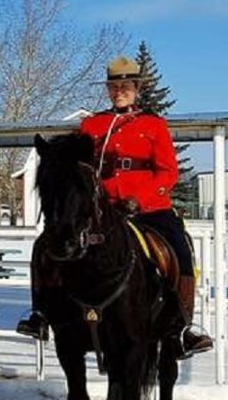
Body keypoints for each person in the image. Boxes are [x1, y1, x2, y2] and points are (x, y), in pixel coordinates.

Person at [16, 57, 213, 358]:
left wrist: (140, 199)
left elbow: (168, 172)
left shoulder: (153, 125)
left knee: (179, 248)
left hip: (148, 207)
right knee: (47, 246)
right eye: (114, 86)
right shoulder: (92, 125)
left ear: (136, 89)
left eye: (125, 86)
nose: (119, 91)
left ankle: (182, 326)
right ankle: (42, 313)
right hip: (101, 207)